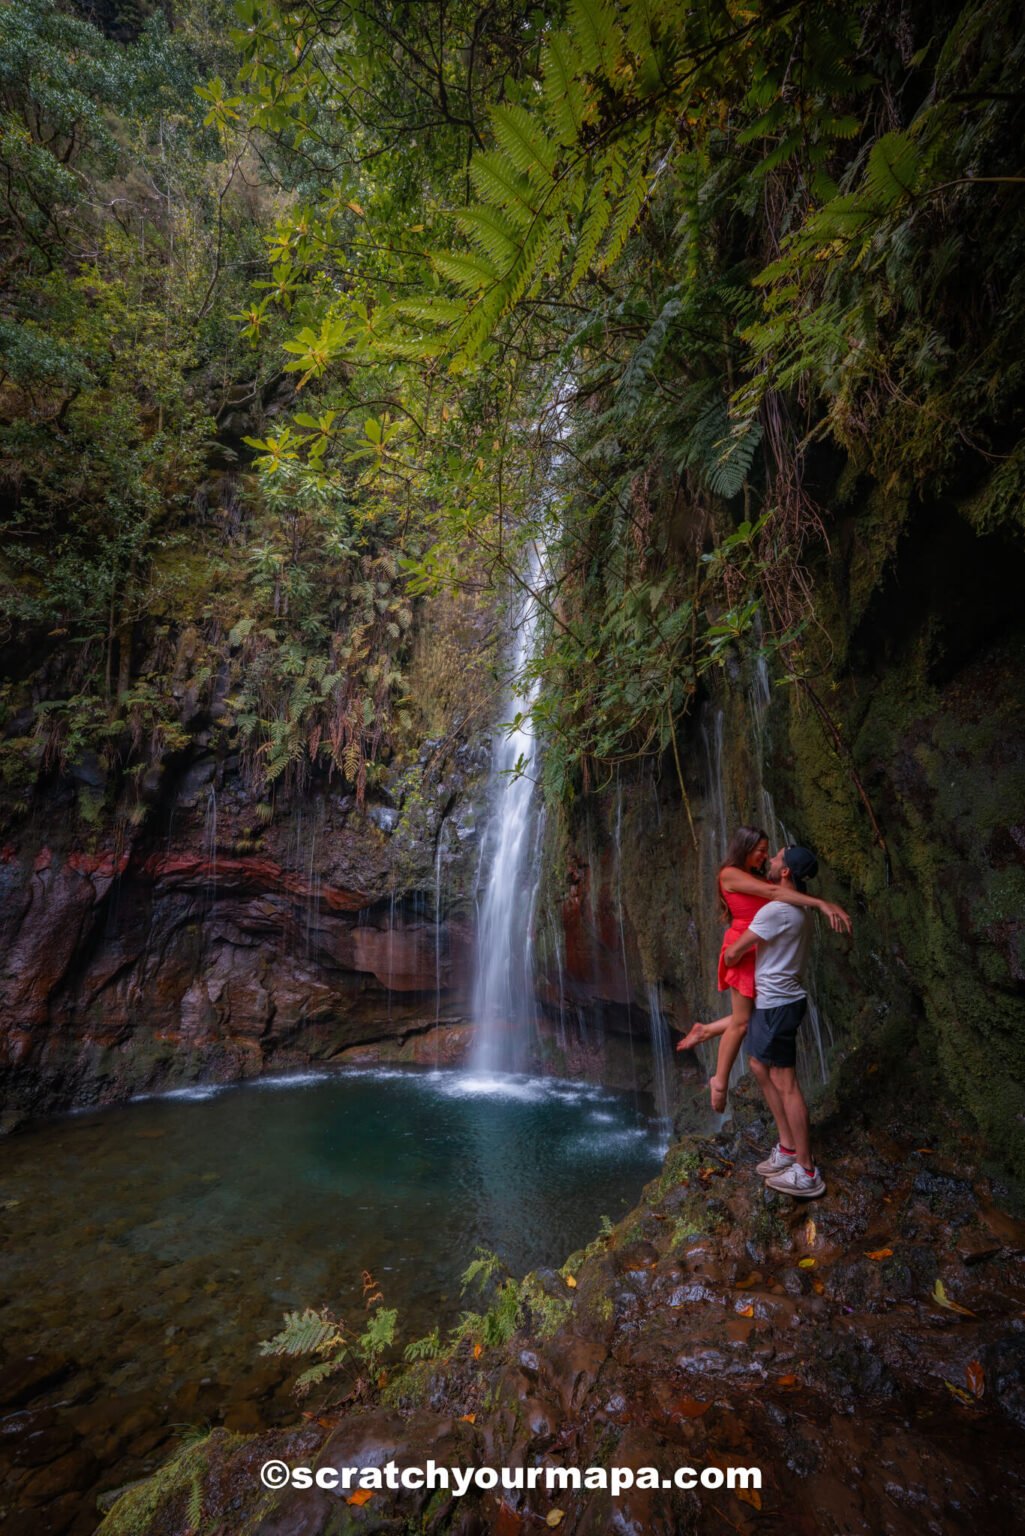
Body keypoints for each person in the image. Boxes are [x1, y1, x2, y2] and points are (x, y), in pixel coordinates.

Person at [675, 825, 851, 1113]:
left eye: (767, 852)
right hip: (743, 949)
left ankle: (706, 1030)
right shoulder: (729, 874)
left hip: (760, 946)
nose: (764, 857)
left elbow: (776, 895)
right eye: (760, 851)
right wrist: (821, 903)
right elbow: (773, 892)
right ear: (744, 848)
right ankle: (719, 1082)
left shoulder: (753, 875)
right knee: (744, 1022)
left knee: (754, 1014)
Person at [721, 844, 832, 1196]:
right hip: (778, 1001)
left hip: (778, 1004)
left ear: (785, 872)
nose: (769, 862)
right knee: (757, 1064)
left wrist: (730, 951)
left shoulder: (778, 911)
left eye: (776, 858)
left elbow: (737, 952)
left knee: (786, 1081)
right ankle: (786, 1148)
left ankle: (806, 1170)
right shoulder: (795, 911)